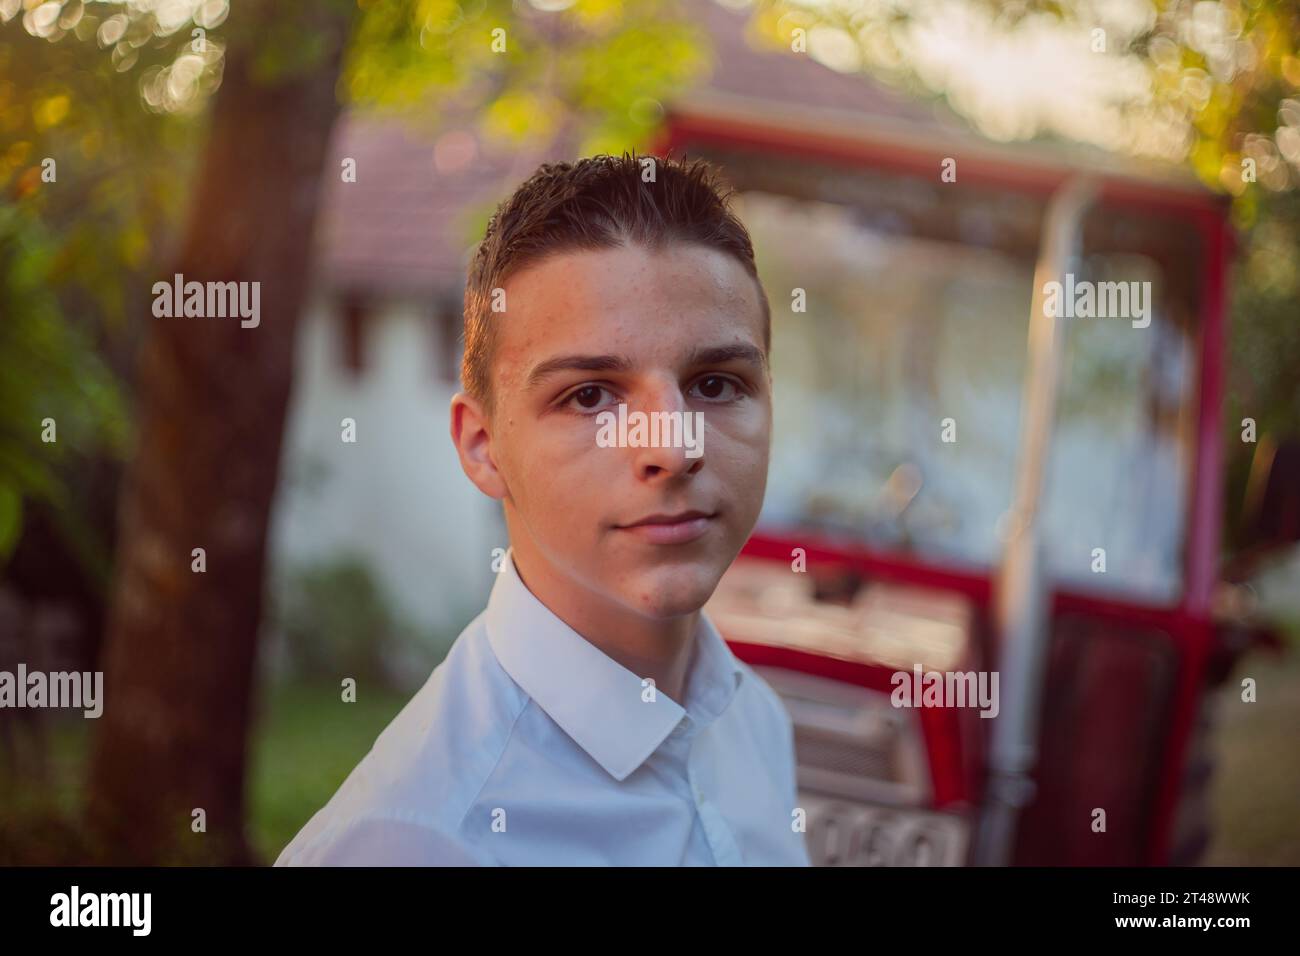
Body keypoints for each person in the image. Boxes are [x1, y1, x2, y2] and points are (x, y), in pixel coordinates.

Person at [276, 153, 809, 866]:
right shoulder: (416, 841)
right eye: (590, 395)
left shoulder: (754, 721)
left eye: (715, 384)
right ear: (483, 446)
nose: (674, 449)